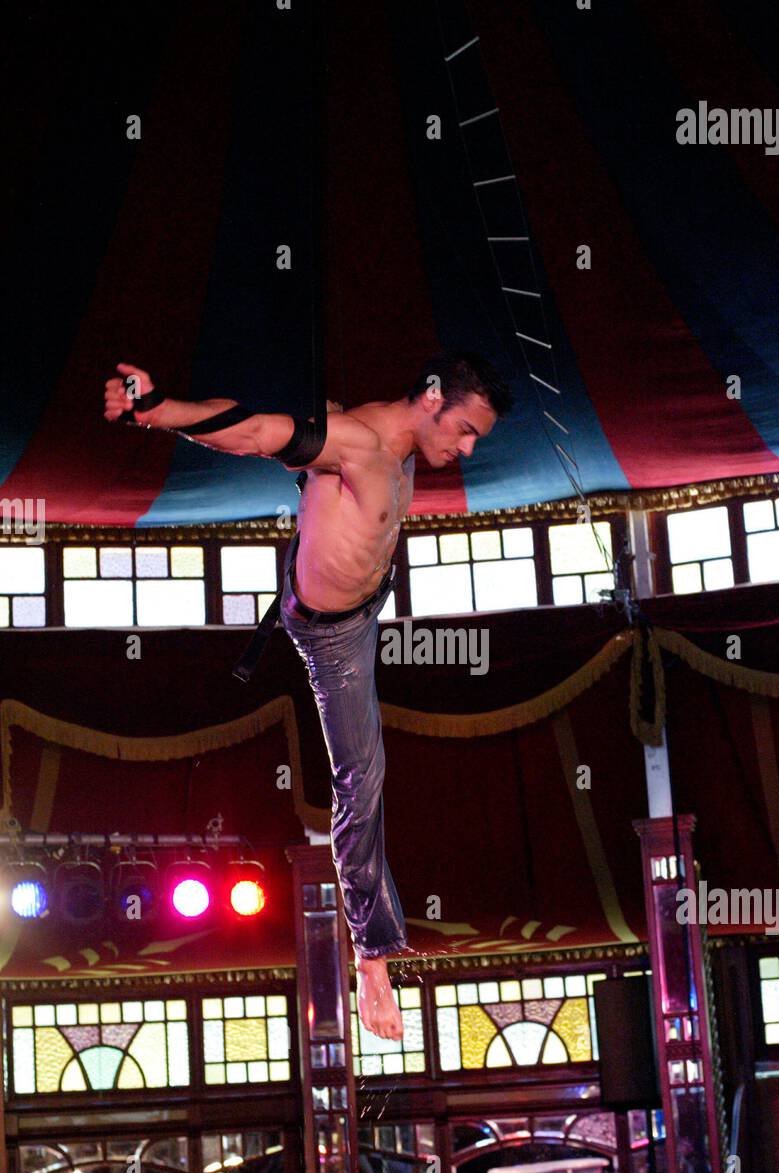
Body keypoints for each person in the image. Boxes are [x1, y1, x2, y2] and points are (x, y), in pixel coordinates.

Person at [104, 351, 514, 1039]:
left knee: (370, 769)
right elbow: (252, 431)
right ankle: (373, 957)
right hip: (331, 635)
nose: (466, 447)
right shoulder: (354, 440)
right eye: (466, 428)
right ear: (432, 396)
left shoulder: (402, 445)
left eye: (477, 438)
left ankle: (376, 954)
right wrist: (156, 410)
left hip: (361, 609)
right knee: (364, 774)